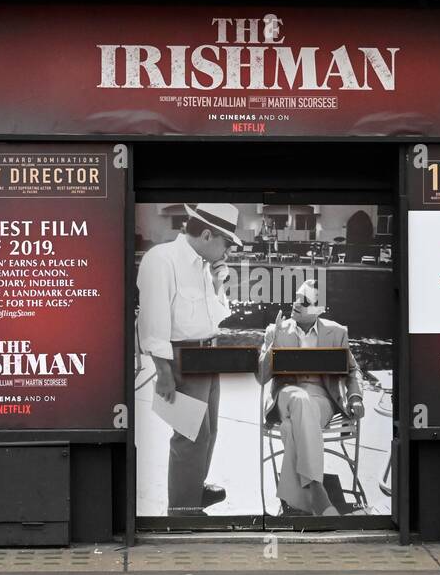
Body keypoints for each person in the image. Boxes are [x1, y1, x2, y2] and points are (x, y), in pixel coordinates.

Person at [136, 203, 243, 516]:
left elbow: (212, 316)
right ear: (208, 234)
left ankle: (193, 489)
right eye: (226, 244)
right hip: (180, 356)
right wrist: (163, 373)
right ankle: (182, 510)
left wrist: (217, 282)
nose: (228, 252)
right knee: (189, 435)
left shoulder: (201, 264)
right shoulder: (162, 260)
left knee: (208, 432)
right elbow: (153, 324)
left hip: (206, 353)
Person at [257, 280, 365, 516]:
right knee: (299, 400)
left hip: (322, 399)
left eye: (304, 301)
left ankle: (299, 500)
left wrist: (355, 396)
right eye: (296, 297)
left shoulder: (336, 332)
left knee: (290, 428)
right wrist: (272, 345)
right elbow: (261, 378)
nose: (296, 303)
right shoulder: (277, 330)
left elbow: (351, 370)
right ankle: (317, 490)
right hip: (287, 395)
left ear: (319, 308)